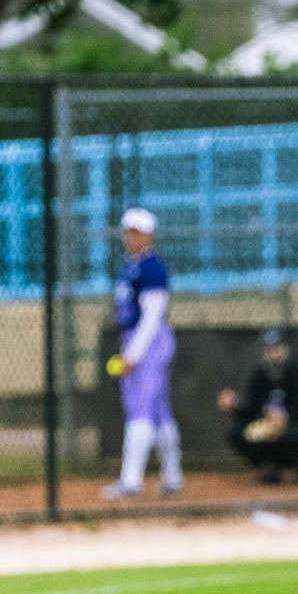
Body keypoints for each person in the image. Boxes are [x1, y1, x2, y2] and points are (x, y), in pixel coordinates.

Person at [103, 207, 182, 500]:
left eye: (136, 232)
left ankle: (130, 481)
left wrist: (133, 354)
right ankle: (172, 476)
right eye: (128, 231)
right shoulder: (132, 266)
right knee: (159, 412)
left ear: (148, 234)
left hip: (148, 343)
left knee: (140, 411)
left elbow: (152, 316)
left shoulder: (152, 268)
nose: (129, 237)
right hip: (137, 340)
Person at [220, 329, 298, 484]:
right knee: (241, 433)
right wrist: (235, 407)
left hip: (292, 428)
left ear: (287, 349)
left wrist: (283, 419)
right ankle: (268, 468)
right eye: (269, 350)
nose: (273, 354)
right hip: (266, 430)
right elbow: (250, 412)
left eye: (277, 349)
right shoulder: (258, 376)